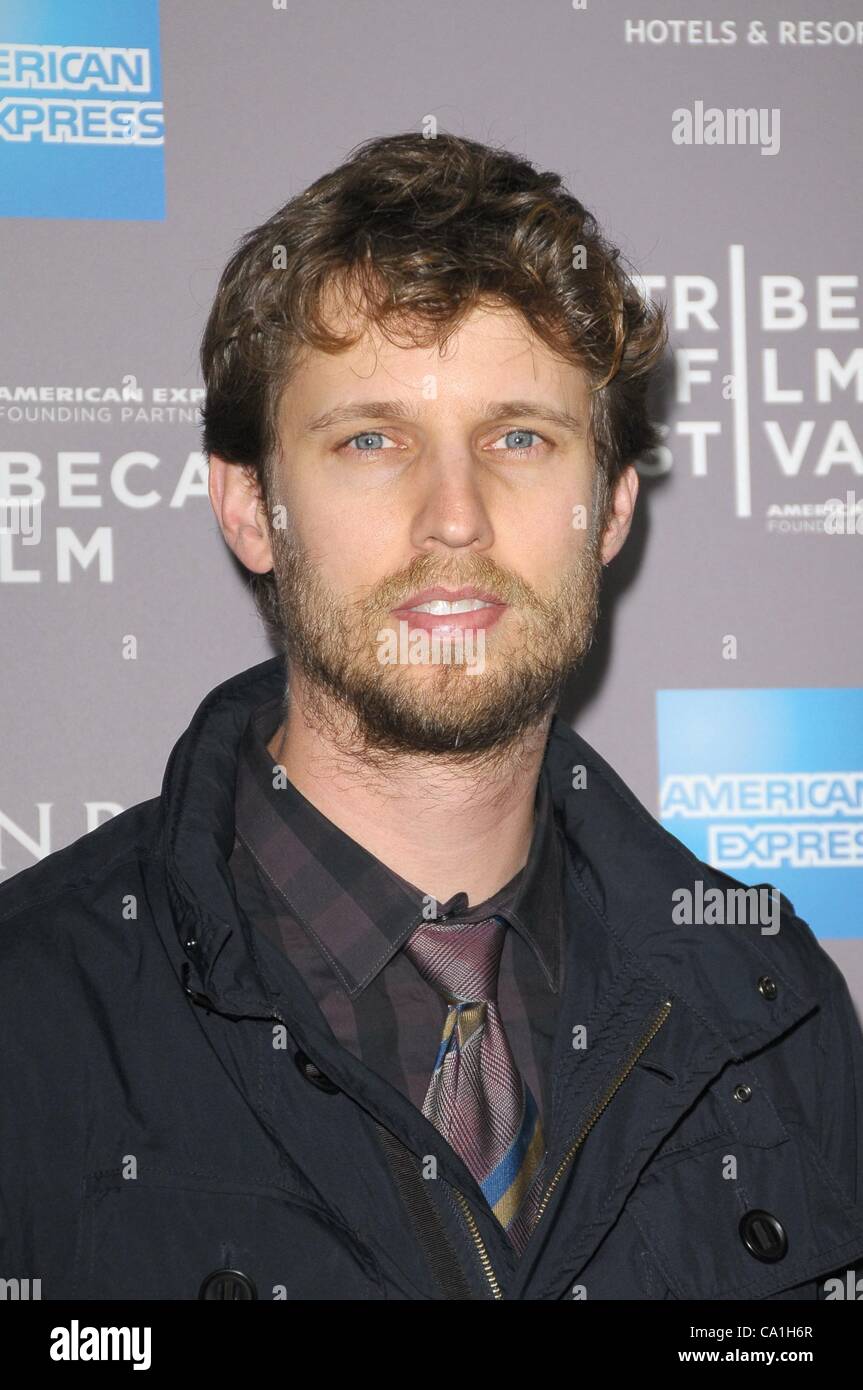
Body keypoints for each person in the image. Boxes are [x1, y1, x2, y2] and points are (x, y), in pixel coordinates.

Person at [2, 132, 862, 1301]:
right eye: (371, 440)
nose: (452, 515)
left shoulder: (765, 1004)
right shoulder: (33, 1016)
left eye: (519, 437)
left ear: (609, 508)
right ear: (250, 507)